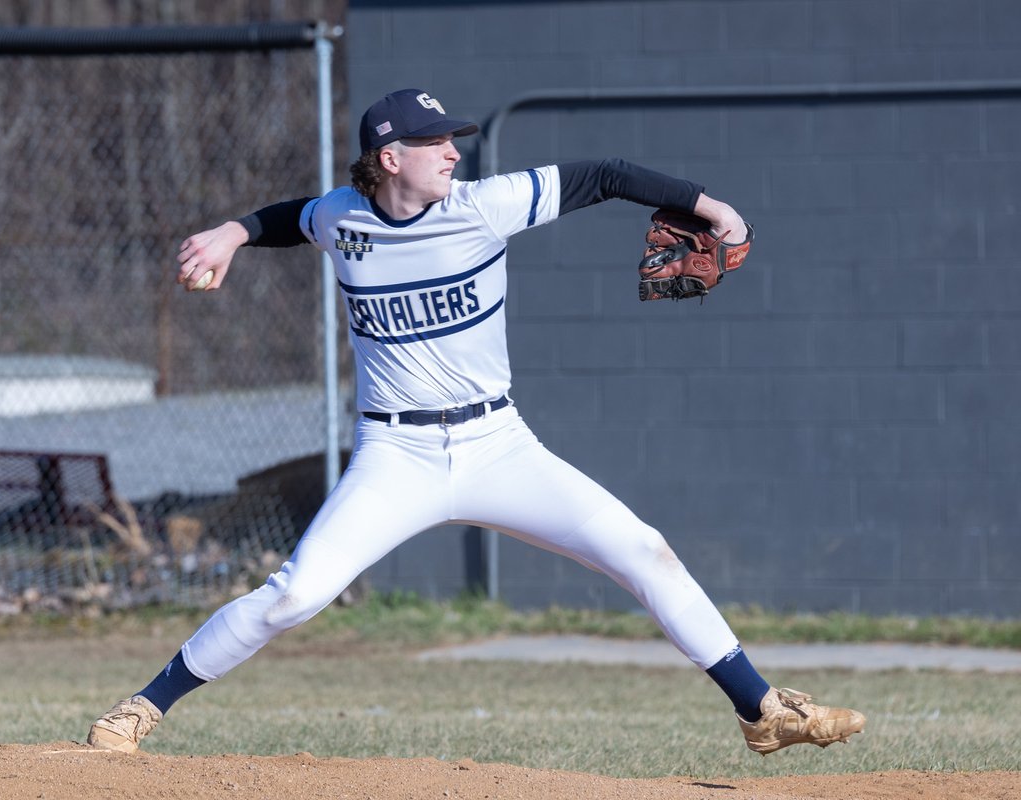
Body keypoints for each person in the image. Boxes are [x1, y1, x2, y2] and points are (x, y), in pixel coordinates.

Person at [87, 88, 865, 757]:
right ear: (389, 158)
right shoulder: (344, 218)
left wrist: (712, 207)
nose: (453, 152)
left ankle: (761, 710)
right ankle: (142, 708)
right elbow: (297, 218)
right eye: (435, 142)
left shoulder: (482, 206)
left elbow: (604, 175)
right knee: (294, 596)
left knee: (642, 550)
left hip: (499, 445)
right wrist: (234, 232)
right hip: (396, 454)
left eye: (452, 138)